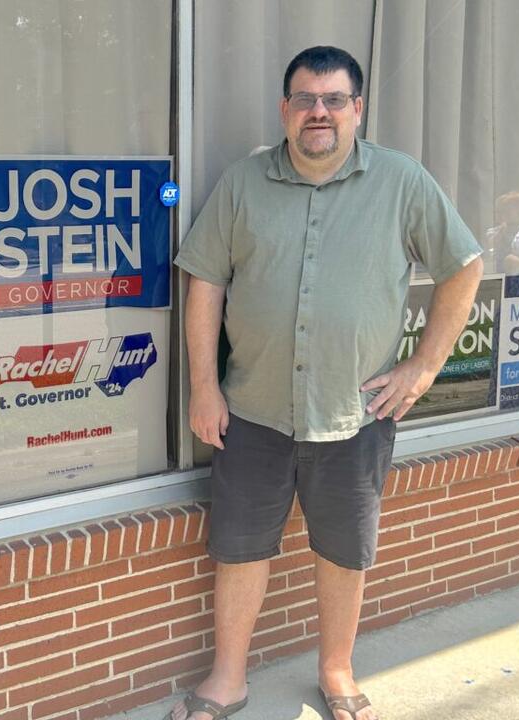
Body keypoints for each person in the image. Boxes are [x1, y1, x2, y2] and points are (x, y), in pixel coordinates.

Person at [167, 46, 483, 720]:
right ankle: (227, 678)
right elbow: (205, 281)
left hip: (355, 410)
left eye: (334, 100)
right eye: (306, 99)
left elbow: (464, 267)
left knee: (344, 551)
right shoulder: (244, 183)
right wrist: (204, 387)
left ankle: (337, 671)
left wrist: (424, 366)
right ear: (285, 109)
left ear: (356, 109)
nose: (319, 112)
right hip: (251, 410)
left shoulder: (401, 182)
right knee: (239, 547)